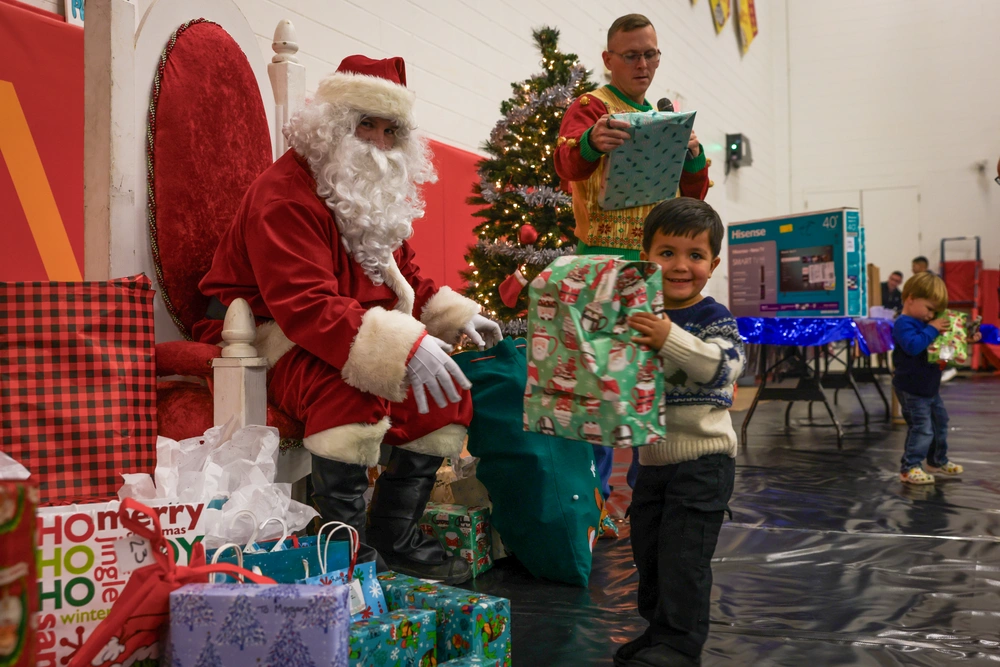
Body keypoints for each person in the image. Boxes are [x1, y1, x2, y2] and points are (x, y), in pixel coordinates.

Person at [193, 55, 502, 584]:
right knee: (350, 392)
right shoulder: (284, 195)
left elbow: (402, 277)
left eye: (390, 131)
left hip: (346, 327)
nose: (379, 143)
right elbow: (305, 305)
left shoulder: (365, 192)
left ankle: (393, 535)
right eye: (366, 125)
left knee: (446, 393)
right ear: (334, 126)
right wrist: (405, 347)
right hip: (266, 334)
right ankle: (345, 550)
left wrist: (452, 317)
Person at [554, 13, 712, 506]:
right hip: (603, 269)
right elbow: (564, 161)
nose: (643, 64)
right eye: (631, 55)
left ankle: (651, 498)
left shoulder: (666, 115)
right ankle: (595, 502)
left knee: (655, 389)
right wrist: (589, 142)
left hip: (656, 273)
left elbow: (694, 196)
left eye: (650, 54)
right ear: (608, 60)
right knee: (602, 393)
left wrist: (693, 154)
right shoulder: (591, 107)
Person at [614, 198, 745, 667]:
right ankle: (659, 632)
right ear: (646, 255)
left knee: (684, 559)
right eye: (666, 252)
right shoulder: (633, 313)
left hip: (704, 461)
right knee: (649, 554)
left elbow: (723, 367)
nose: (680, 265)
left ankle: (680, 645)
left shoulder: (714, 317)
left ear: (712, 264)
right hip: (652, 461)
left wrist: (670, 337)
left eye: (695, 255)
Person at [893, 272, 979, 484]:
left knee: (940, 423)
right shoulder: (904, 323)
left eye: (935, 311)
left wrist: (964, 340)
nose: (931, 315)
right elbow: (913, 346)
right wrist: (932, 329)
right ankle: (910, 467)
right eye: (929, 309)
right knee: (922, 428)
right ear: (911, 298)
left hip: (929, 387)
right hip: (911, 389)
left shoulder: (925, 324)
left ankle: (936, 461)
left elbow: (941, 351)